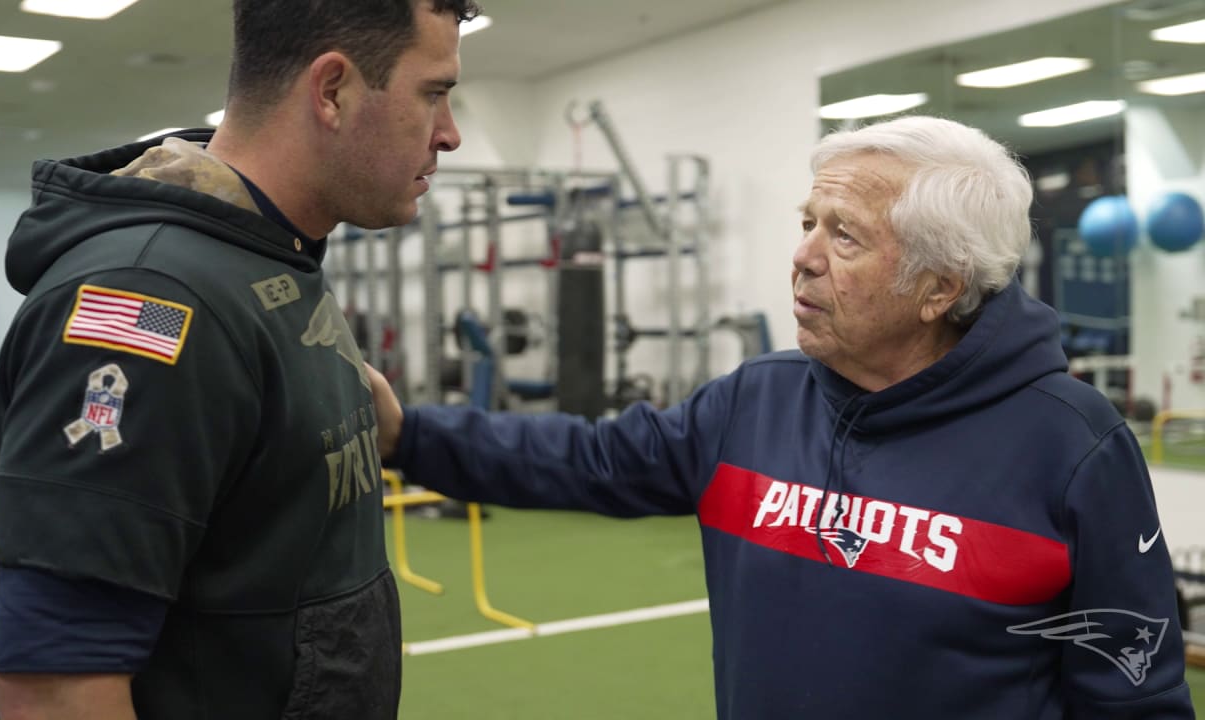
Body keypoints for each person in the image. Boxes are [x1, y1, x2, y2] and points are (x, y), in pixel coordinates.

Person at [369, 116, 1195, 718]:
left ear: (941, 286)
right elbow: (585, 459)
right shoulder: (754, 401)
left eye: (844, 236)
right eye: (807, 223)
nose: (801, 255)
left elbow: (1134, 690)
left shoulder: (1072, 443)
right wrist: (408, 435)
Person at [0, 1, 478, 717]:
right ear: (332, 89)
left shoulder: (265, 256)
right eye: (434, 92)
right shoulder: (150, 301)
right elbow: (56, 687)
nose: (450, 135)